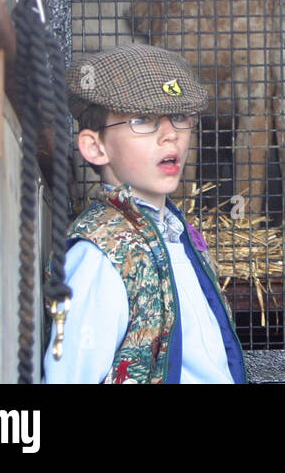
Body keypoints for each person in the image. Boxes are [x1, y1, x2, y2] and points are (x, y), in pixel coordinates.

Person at [42, 42, 246, 384]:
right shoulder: (99, 255)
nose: (170, 136)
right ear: (95, 147)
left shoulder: (178, 233)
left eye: (179, 117)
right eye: (143, 120)